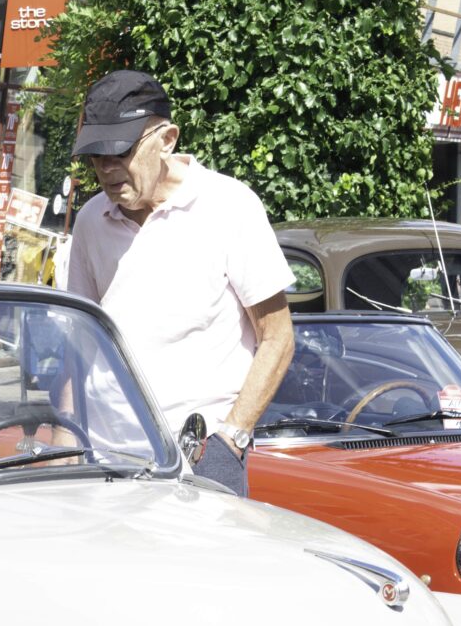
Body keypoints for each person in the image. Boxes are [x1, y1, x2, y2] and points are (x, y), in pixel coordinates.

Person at [64, 69, 294, 496]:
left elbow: (277, 337)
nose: (107, 169)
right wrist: (64, 440)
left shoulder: (230, 206)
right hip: (106, 463)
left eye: (120, 152)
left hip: (199, 462)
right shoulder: (91, 221)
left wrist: (231, 441)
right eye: (96, 156)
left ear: (167, 139)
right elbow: (78, 345)